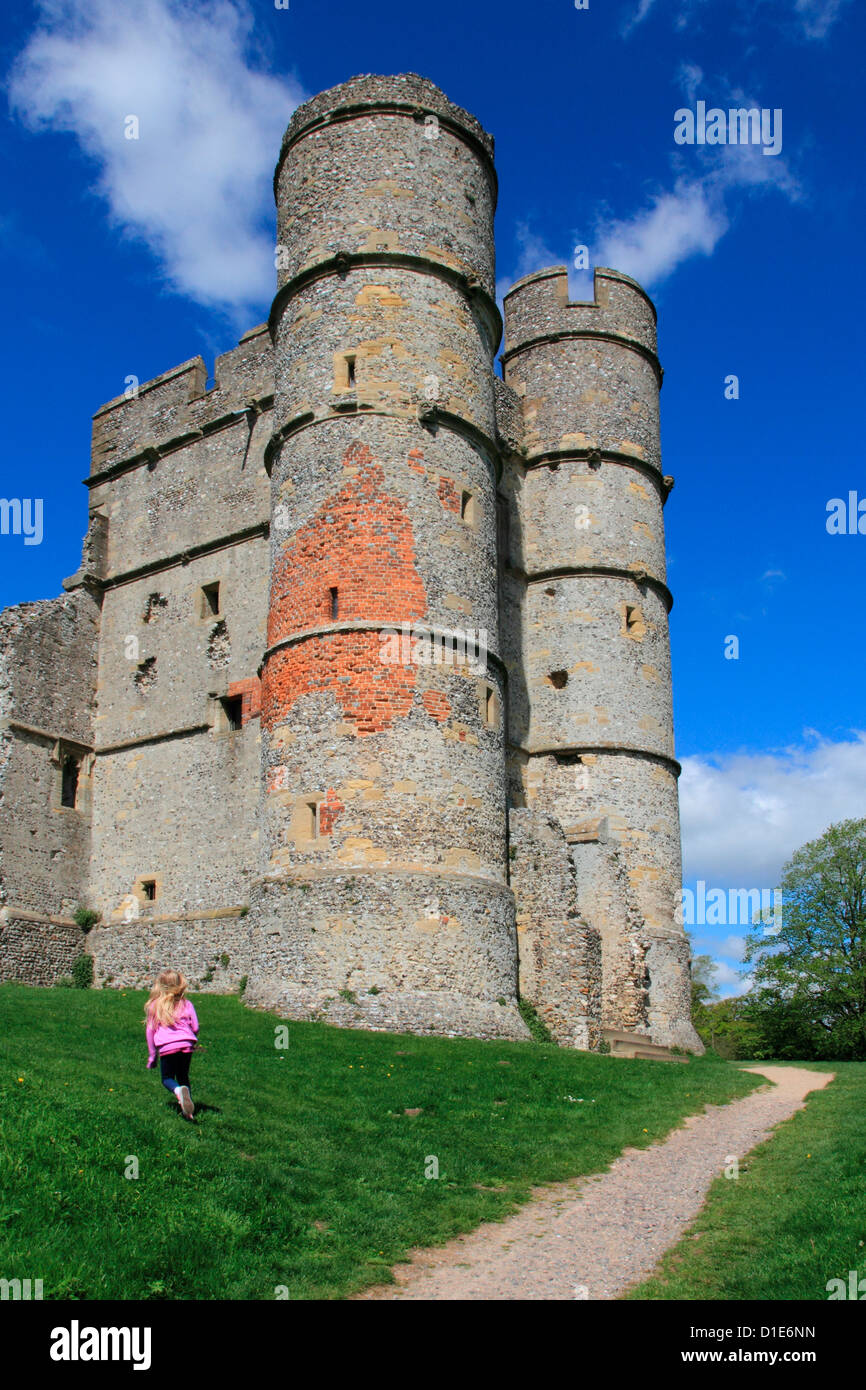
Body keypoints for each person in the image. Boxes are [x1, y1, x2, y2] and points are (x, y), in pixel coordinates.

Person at [145, 970, 199, 1119]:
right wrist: (190, 1037)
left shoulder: (155, 1006)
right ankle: (188, 1111)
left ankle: (177, 1092)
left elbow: (150, 1031)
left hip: (167, 1046)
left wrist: (152, 1056)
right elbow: (195, 1027)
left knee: (167, 1078)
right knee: (183, 1076)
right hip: (186, 1045)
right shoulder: (186, 1003)